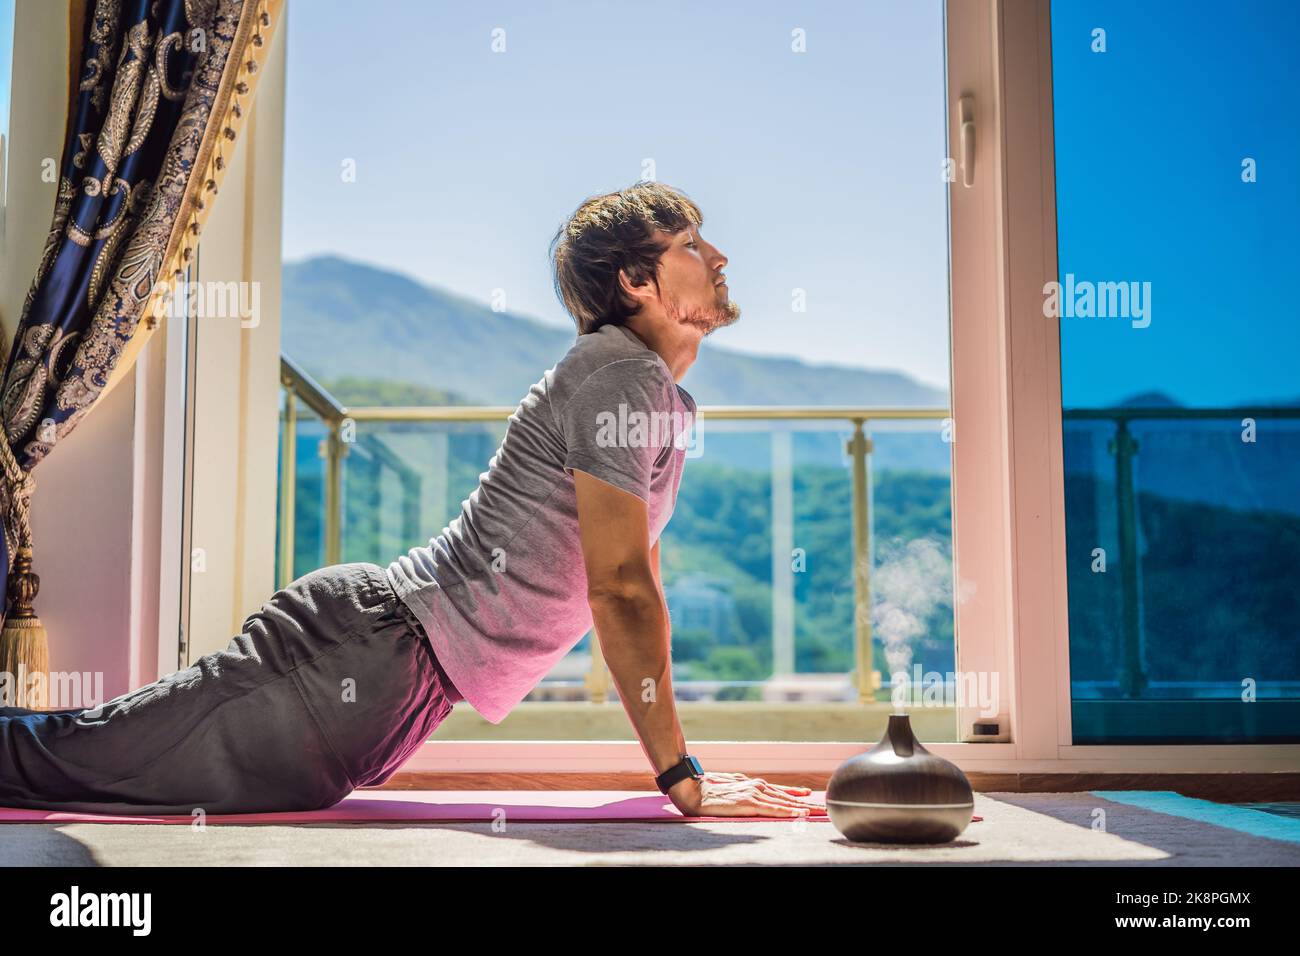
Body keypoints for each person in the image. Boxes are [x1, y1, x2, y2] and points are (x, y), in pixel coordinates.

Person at [0, 182, 824, 819]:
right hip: (354, 660)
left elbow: (630, 575)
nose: (718, 254)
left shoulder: (649, 392)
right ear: (637, 280)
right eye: (691, 242)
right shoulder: (621, 377)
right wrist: (682, 775)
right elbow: (621, 588)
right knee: (66, 763)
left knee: (89, 767)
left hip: (386, 684)